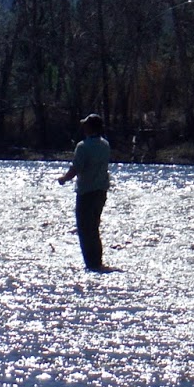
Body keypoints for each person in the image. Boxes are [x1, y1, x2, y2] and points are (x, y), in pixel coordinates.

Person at [58, 113, 111, 272]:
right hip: (101, 191)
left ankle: (91, 264)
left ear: (90, 128)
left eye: (86, 125)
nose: (83, 127)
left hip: (86, 192)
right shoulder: (105, 145)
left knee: (84, 228)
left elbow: (76, 168)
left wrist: (64, 178)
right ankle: (97, 261)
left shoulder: (82, 146)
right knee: (94, 227)